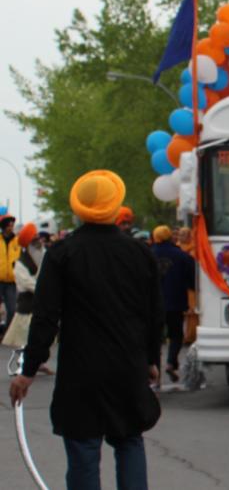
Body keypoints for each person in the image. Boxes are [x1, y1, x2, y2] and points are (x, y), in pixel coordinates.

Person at [10, 170, 163, 490]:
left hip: (82, 368)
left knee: (83, 446)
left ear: (79, 208)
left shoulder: (63, 254)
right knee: (129, 440)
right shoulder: (140, 253)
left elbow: (45, 317)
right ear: (115, 205)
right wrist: (151, 360)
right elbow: (153, 314)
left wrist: (28, 369)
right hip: (128, 364)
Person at [149, 225, 195, 385]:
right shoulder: (182, 256)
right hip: (175, 302)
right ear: (171, 237)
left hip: (152, 304)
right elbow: (192, 279)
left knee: (155, 338)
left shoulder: (148, 255)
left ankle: (155, 375)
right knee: (176, 335)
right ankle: (170, 362)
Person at [1, 223, 42, 357]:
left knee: (37, 336)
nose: (39, 240)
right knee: (26, 336)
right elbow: (30, 284)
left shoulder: (42, 256)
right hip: (26, 304)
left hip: (38, 305)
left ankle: (37, 362)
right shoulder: (21, 263)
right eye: (35, 237)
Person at [0, 214, 20, 336]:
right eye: (9, 225)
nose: (11, 227)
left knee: (12, 309)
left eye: (12, 225)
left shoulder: (17, 241)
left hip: (12, 280)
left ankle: (7, 332)